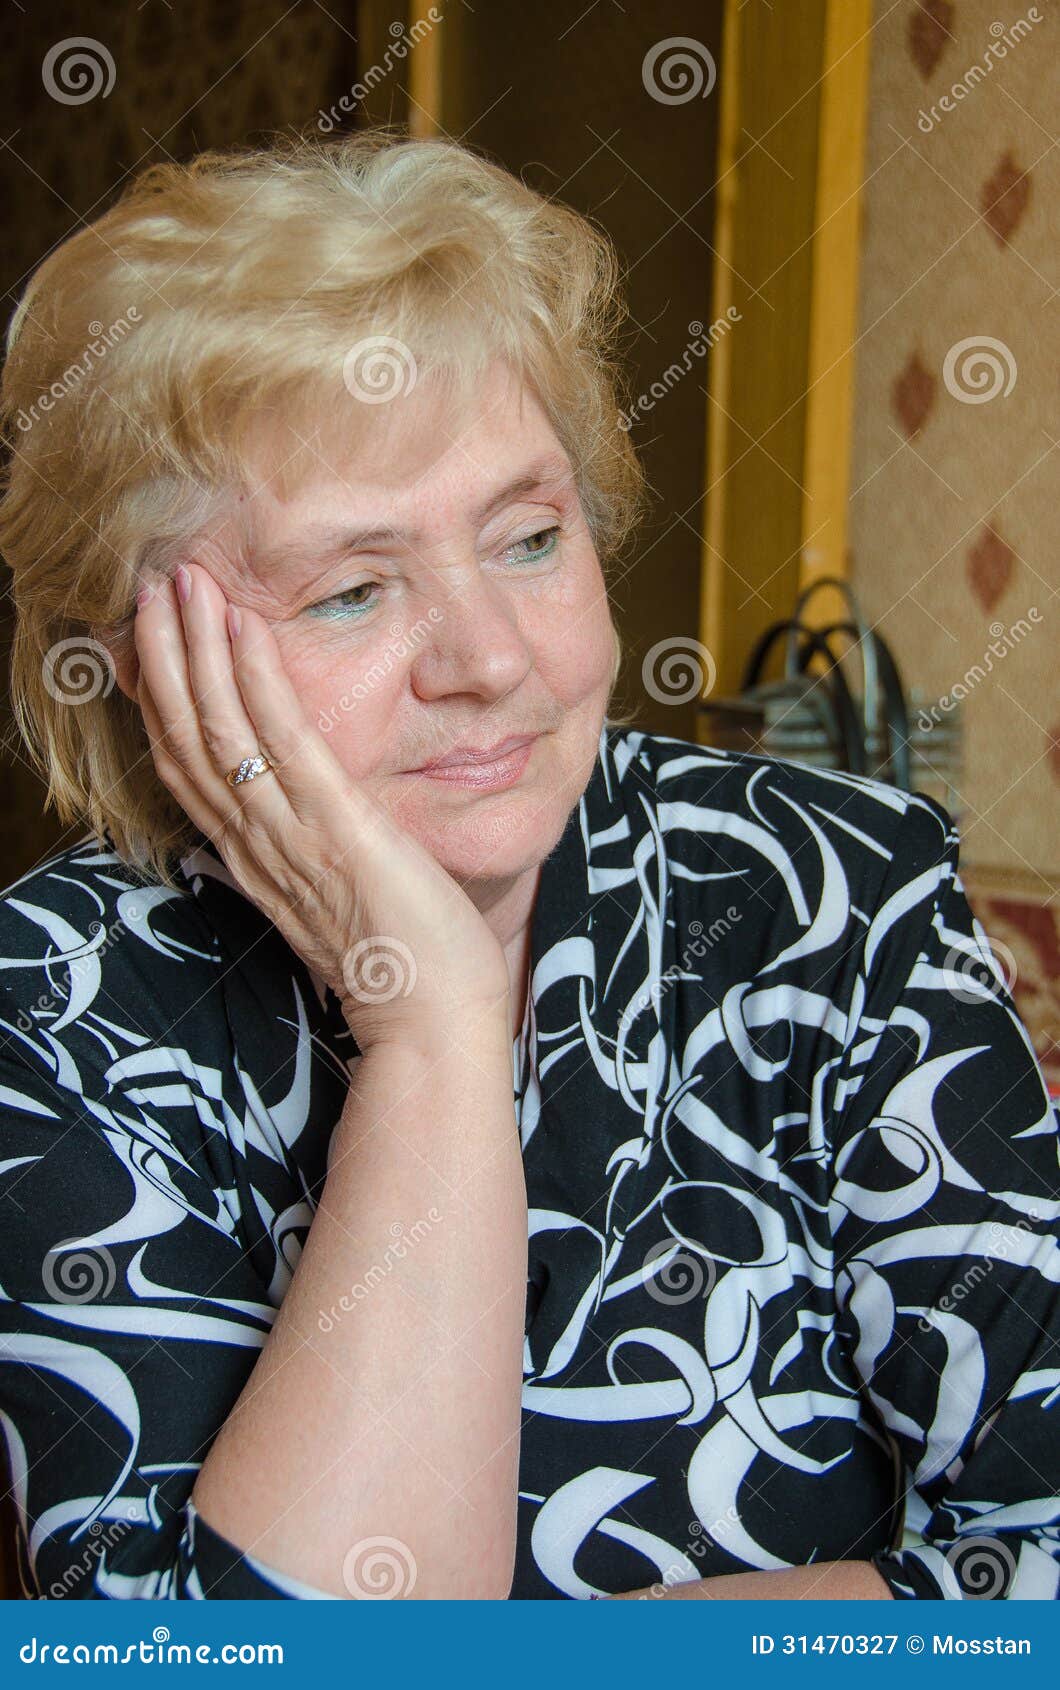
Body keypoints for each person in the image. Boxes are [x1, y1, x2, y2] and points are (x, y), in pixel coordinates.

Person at [0, 128, 1056, 1603]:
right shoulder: (54, 1014)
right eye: (355, 589)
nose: (492, 660)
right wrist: (427, 1029)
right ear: (143, 666)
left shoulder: (829, 891)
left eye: (529, 538)